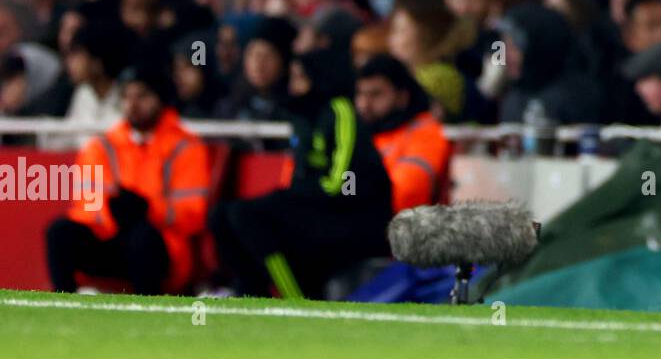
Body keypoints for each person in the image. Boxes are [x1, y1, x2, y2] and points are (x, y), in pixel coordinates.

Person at [208, 48, 391, 299]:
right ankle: (249, 295)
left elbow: (340, 182)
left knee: (249, 216)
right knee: (222, 215)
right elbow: (300, 173)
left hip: (355, 215)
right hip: (319, 211)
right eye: (292, 77)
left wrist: (286, 198)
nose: (294, 85)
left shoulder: (340, 110)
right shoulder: (301, 117)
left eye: (300, 77)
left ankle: (296, 300)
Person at [45, 65, 210, 294]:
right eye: (126, 96)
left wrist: (149, 211)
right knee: (60, 231)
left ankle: (149, 312)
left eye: (142, 96)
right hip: (109, 238)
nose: (132, 104)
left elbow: (193, 213)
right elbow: (86, 205)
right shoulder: (102, 146)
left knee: (142, 237)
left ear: (160, 98)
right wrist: (113, 213)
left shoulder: (185, 147)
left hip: (162, 245)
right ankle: (62, 304)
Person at [354, 54, 451, 212]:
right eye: (360, 94)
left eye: (376, 94)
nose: (364, 104)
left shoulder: (425, 131)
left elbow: (408, 195)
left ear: (402, 97)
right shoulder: (361, 132)